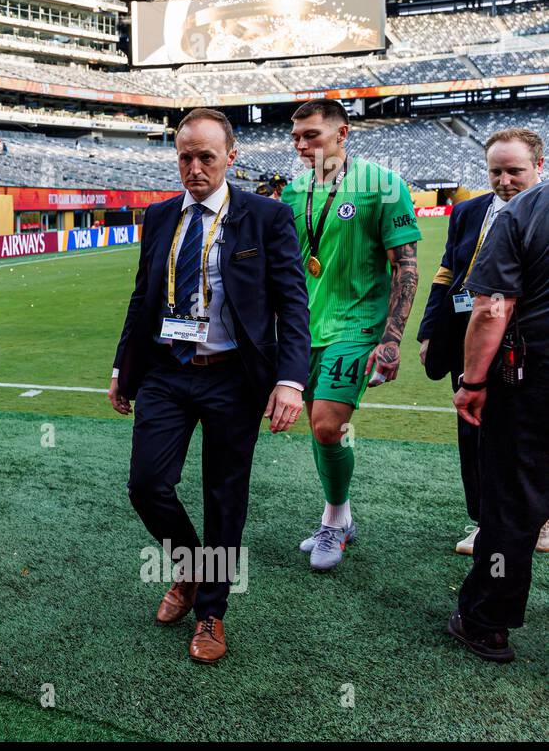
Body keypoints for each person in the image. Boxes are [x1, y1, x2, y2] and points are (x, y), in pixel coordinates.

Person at [110, 108, 309, 664]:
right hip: (167, 372)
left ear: (231, 156)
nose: (194, 167)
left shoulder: (266, 217)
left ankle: (211, 611)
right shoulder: (159, 217)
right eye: (185, 157)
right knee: (147, 485)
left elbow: (292, 303)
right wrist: (123, 369)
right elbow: (142, 297)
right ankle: (194, 568)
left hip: (233, 377)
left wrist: (290, 380)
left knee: (224, 498)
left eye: (205, 156)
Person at [281, 99, 421, 572]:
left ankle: (336, 519)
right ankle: (339, 515)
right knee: (320, 429)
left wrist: (391, 338)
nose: (302, 145)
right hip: (304, 329)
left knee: (326, 422)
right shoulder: (294, 190)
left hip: (358, 327)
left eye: (313, 136)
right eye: (297, 137)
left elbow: (406, 267)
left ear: (343, 134)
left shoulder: (382, 185)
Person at [418, 128, 549, 555]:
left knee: (525, 438)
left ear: (539, 167)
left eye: (515, 171)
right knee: (473, 432)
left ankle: (539, 521)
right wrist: (430, 331)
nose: (504, 180)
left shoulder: (541, 216)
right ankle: (483, 521)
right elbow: (444, 272)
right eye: (496, 171)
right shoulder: (467, 211)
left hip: (526, 345)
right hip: (469, 338)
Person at [448, 174, 549, 663]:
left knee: (512, 501)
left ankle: (486, 622)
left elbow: (493, 308)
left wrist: (472, 382)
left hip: (534, 379)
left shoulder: (524, 211)